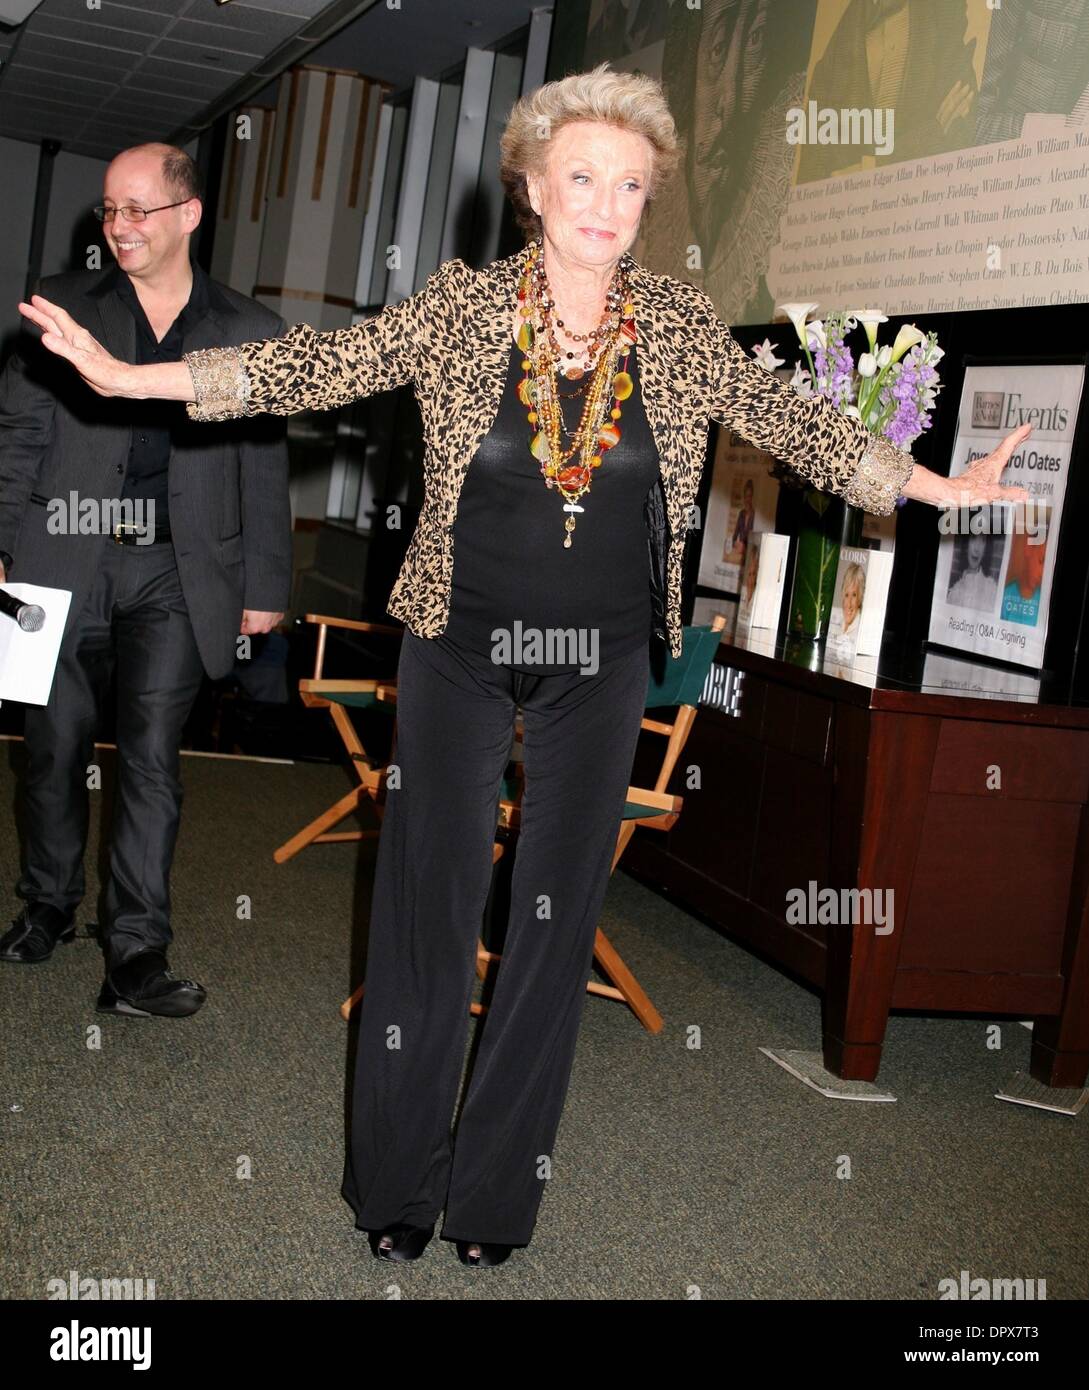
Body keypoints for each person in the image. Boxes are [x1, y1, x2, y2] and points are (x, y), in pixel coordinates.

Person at [16, 64, 1030, 1267]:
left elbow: (798, 422)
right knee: (426, 913)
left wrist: (938, 486)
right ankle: (395, 1183)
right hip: (458, 648)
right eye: (585, 178)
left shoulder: (684, 331)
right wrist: (137, 378)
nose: (609, 205)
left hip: (599, 666)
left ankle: (496, 1201)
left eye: (634, 187)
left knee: (552, 927)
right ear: (537, 190)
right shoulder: (461, 310)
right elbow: (309, 367)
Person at [0, 144, 292, 1019]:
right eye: (109, 211)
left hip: (175, 566)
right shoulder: (61, 306)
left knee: (153, 758)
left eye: (138, 210)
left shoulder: (248, 329)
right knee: (51, 747)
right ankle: (50, 901)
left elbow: (262, 460)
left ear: (188, 215)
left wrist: (266, 581)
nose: (119, 228)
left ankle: (135, 951)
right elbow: (16, 436)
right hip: (59, 558)